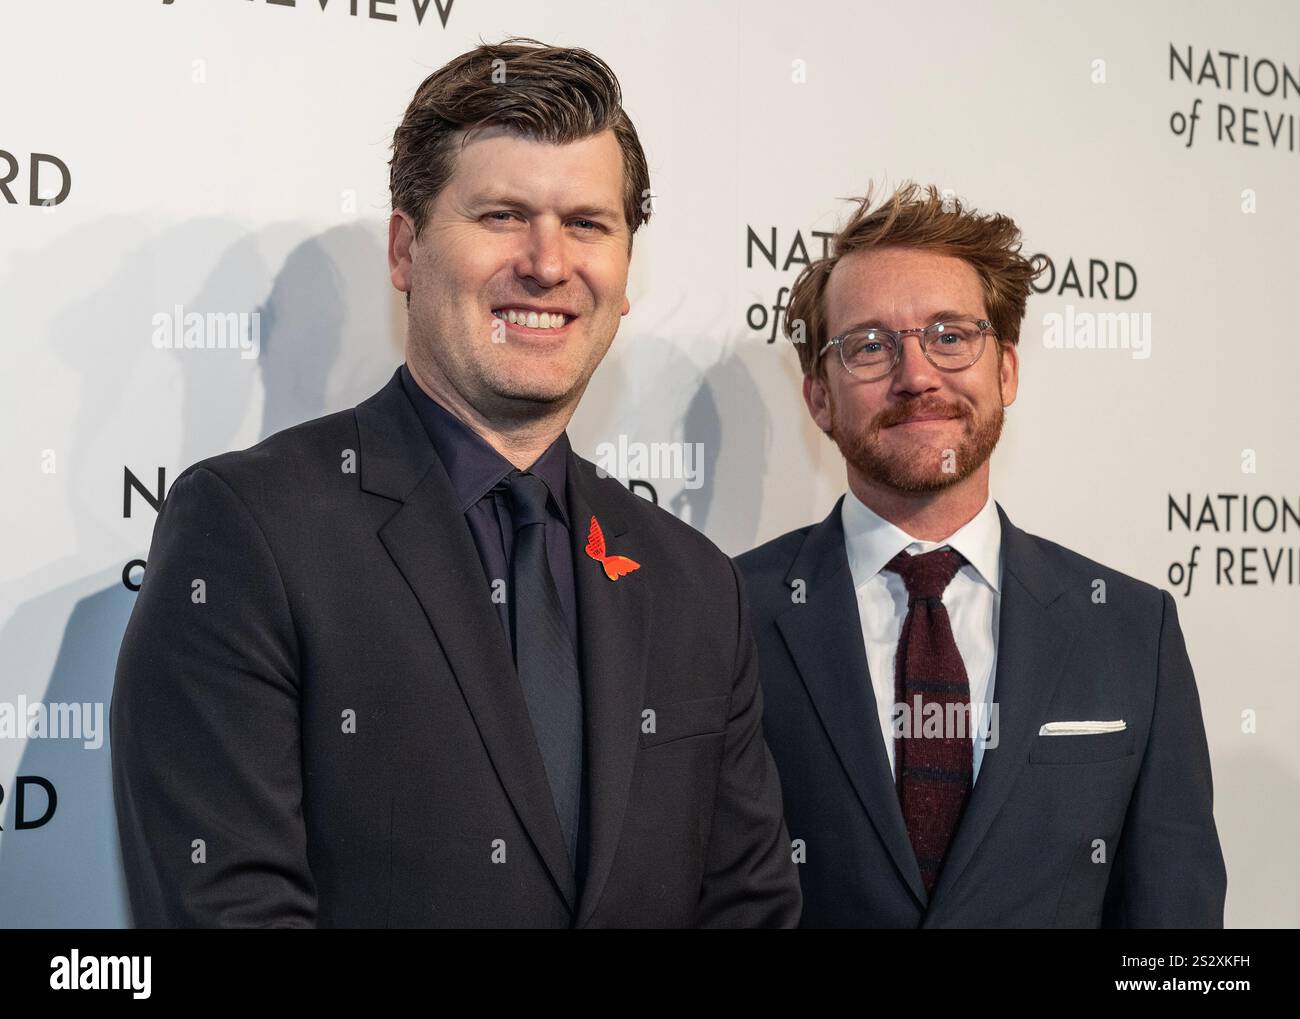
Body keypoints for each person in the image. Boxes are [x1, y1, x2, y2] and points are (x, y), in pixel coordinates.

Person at [111, 38, 800, 928]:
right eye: (503, 215)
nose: (548, 263)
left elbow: (747, 908)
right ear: (405, 250)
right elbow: (229, 908)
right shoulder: (252, 532)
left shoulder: (696, 582)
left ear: (627, 272)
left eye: (588, 224)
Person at [736, 182, 1225, 927]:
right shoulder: (728, 611)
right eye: (869, 345)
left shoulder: (1132, 628)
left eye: (951, 335)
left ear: (1007, 371)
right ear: (819, 398)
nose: (918, 375)